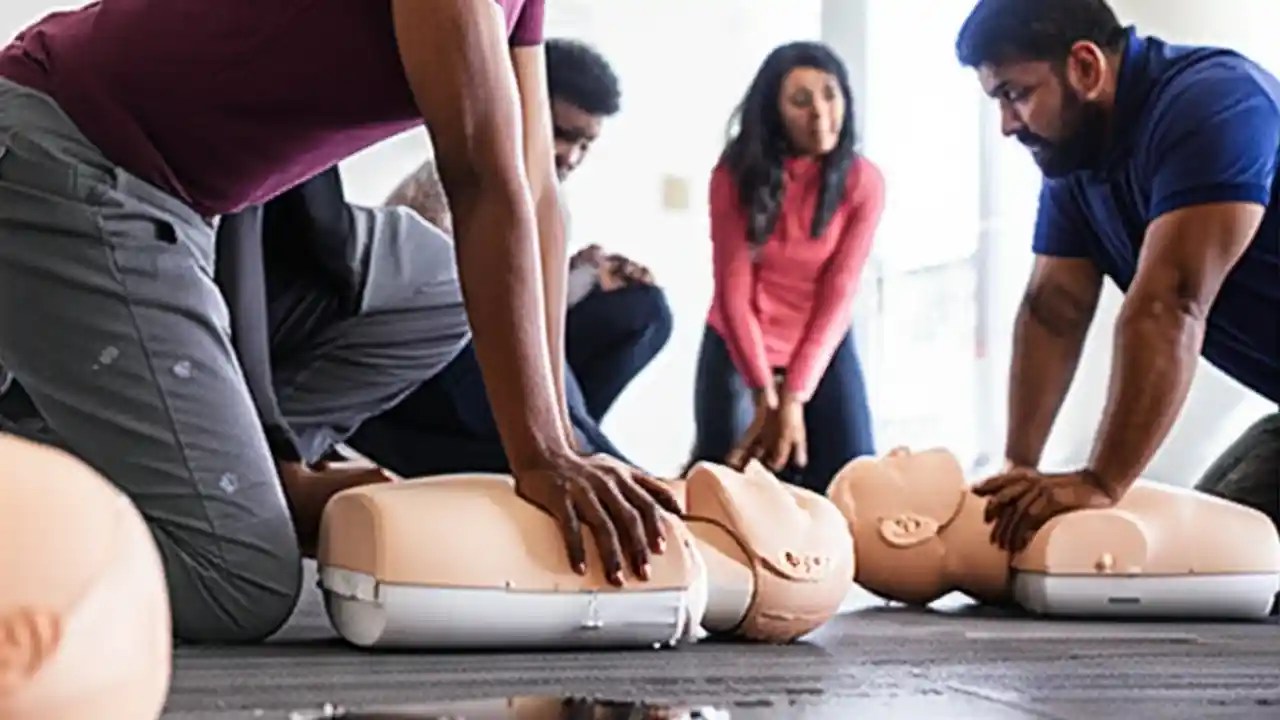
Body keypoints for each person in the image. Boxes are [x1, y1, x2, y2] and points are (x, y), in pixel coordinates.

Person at [0, 0, 675, 644]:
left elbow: (533, 193)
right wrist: (538, 454)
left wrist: (568, 443)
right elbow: (480, 180)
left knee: (438, 287)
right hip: (73, 159)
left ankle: (195, 477)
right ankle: (66, 472)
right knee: (236, 581)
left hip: (179, 204)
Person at [954, 0, 1280, 551]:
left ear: (1084, 67)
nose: (1009, 125)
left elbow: (1170, 303)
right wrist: (1019, 469)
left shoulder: (1214, 103)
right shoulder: (1076, 167)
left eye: (1016, 94)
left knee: (1220, 567)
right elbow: (1052, 310)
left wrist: (1101, 482)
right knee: (1178, 558)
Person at [385, 37, 673, 424]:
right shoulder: (459, 176)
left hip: (486, 357)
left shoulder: (545, 195)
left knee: (644, 307)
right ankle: (578, 449)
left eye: (585, 144)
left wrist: (587, 275)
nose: (571, 157)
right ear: (521, 106)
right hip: (427, 371)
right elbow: (477, 305)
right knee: (529, 345)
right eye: (561, 134)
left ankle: (582, 444)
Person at [688, 41, 885, 493]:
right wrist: (763, 392)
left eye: (830, 95)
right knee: (727, 482)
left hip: (819, 344)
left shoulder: (864, 181)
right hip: (739, 344)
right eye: (800, 100)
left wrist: (793, 395)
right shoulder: (734, 175)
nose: (820, 113)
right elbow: (733, 292)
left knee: (852, 482)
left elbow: (840, 291)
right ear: (774, 111)